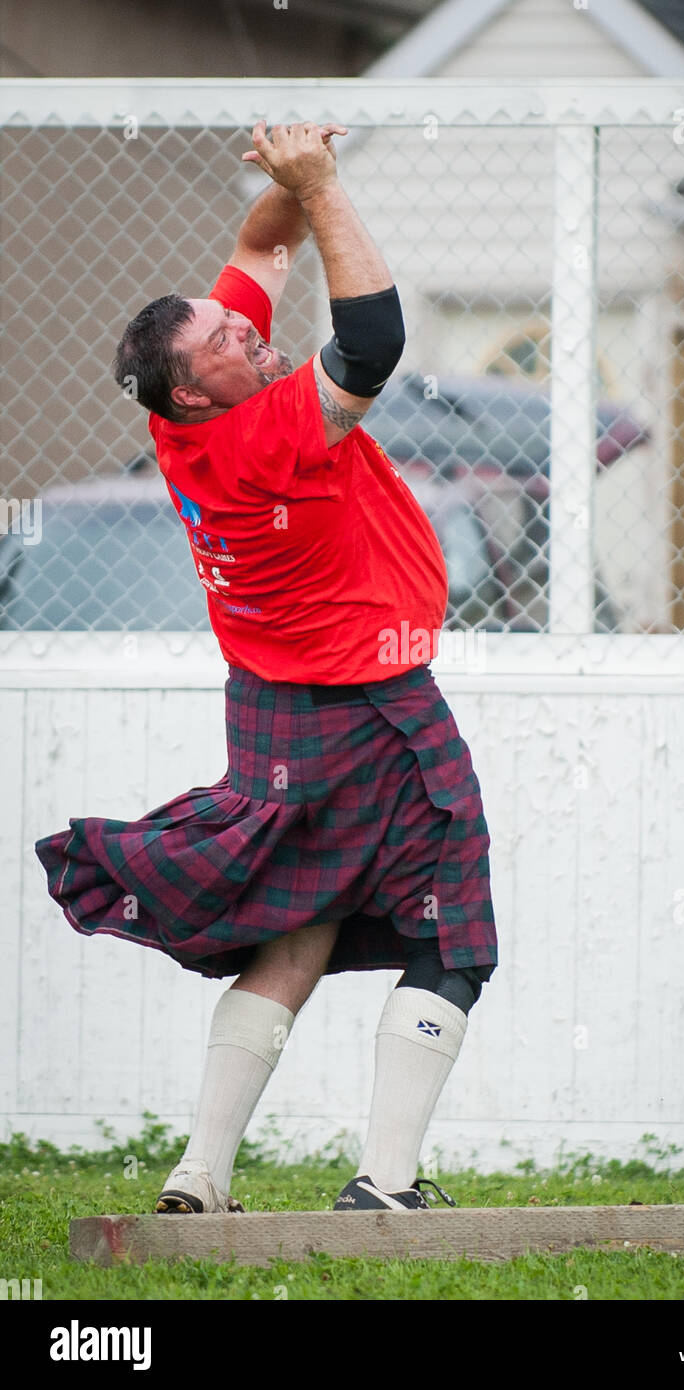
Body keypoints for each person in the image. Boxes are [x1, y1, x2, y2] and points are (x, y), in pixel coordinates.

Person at [34, 120, 497, 1215]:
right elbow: (373, 340)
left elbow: (260, 249)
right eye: (227, 342)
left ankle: (199, 1174)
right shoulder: (272, 433)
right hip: (373, 706)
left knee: (298, 935)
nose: (249, 332)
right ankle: (387, 1184)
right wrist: (324, 186)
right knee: (455, 935)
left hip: (275, 713)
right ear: (196, 391)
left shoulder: (187, 420)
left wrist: (288, 178)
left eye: (235, 325)